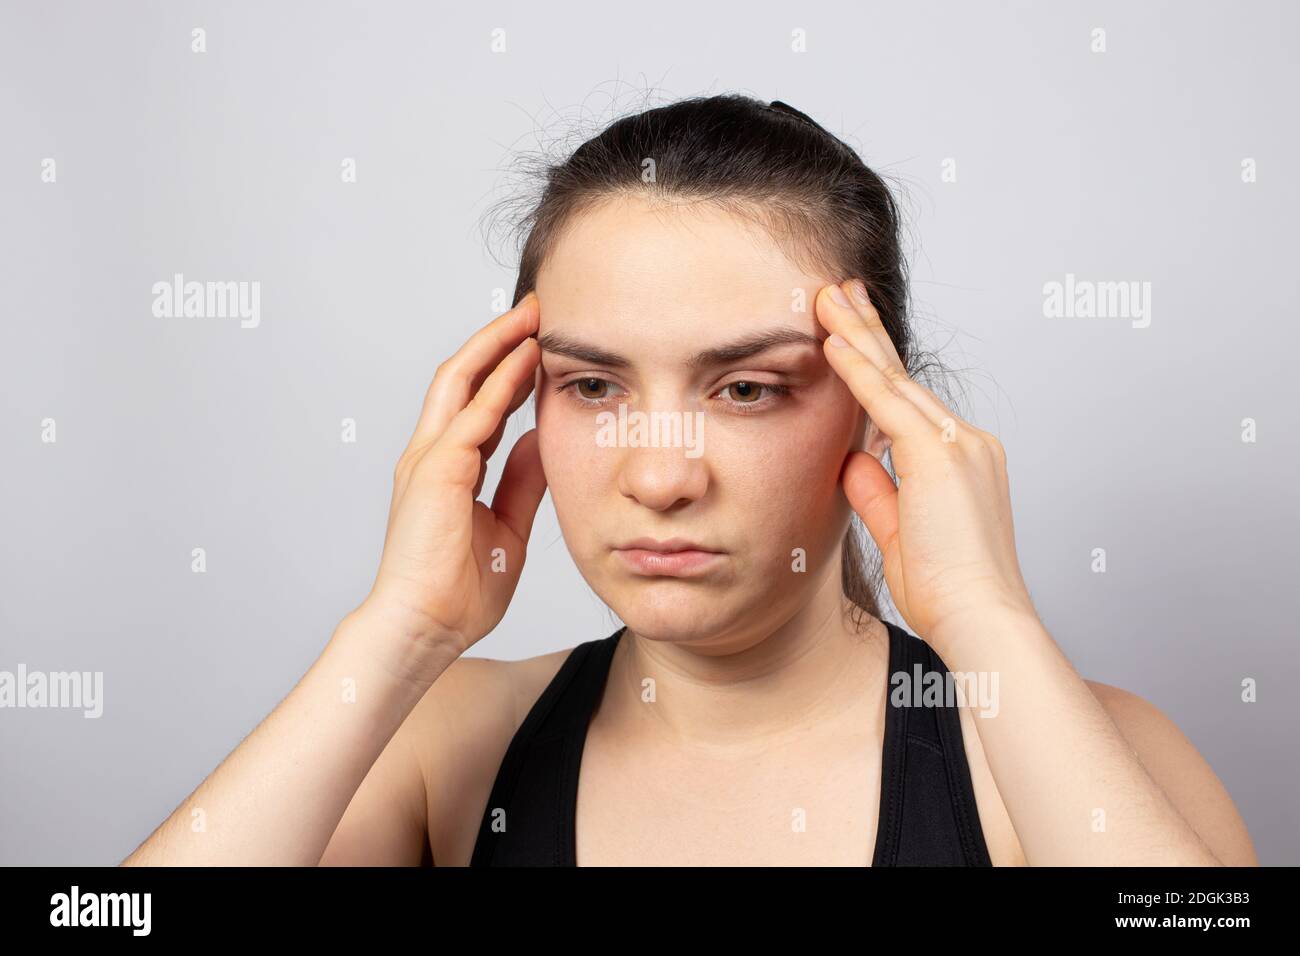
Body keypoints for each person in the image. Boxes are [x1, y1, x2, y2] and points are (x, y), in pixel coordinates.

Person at [122, 94, 1257, 866]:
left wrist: (990, 626)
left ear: (878, 404)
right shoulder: (447, 742)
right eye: (594, 387)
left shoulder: (1064, 752)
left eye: (746, 388)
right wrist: (397, 631)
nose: (658, 476)